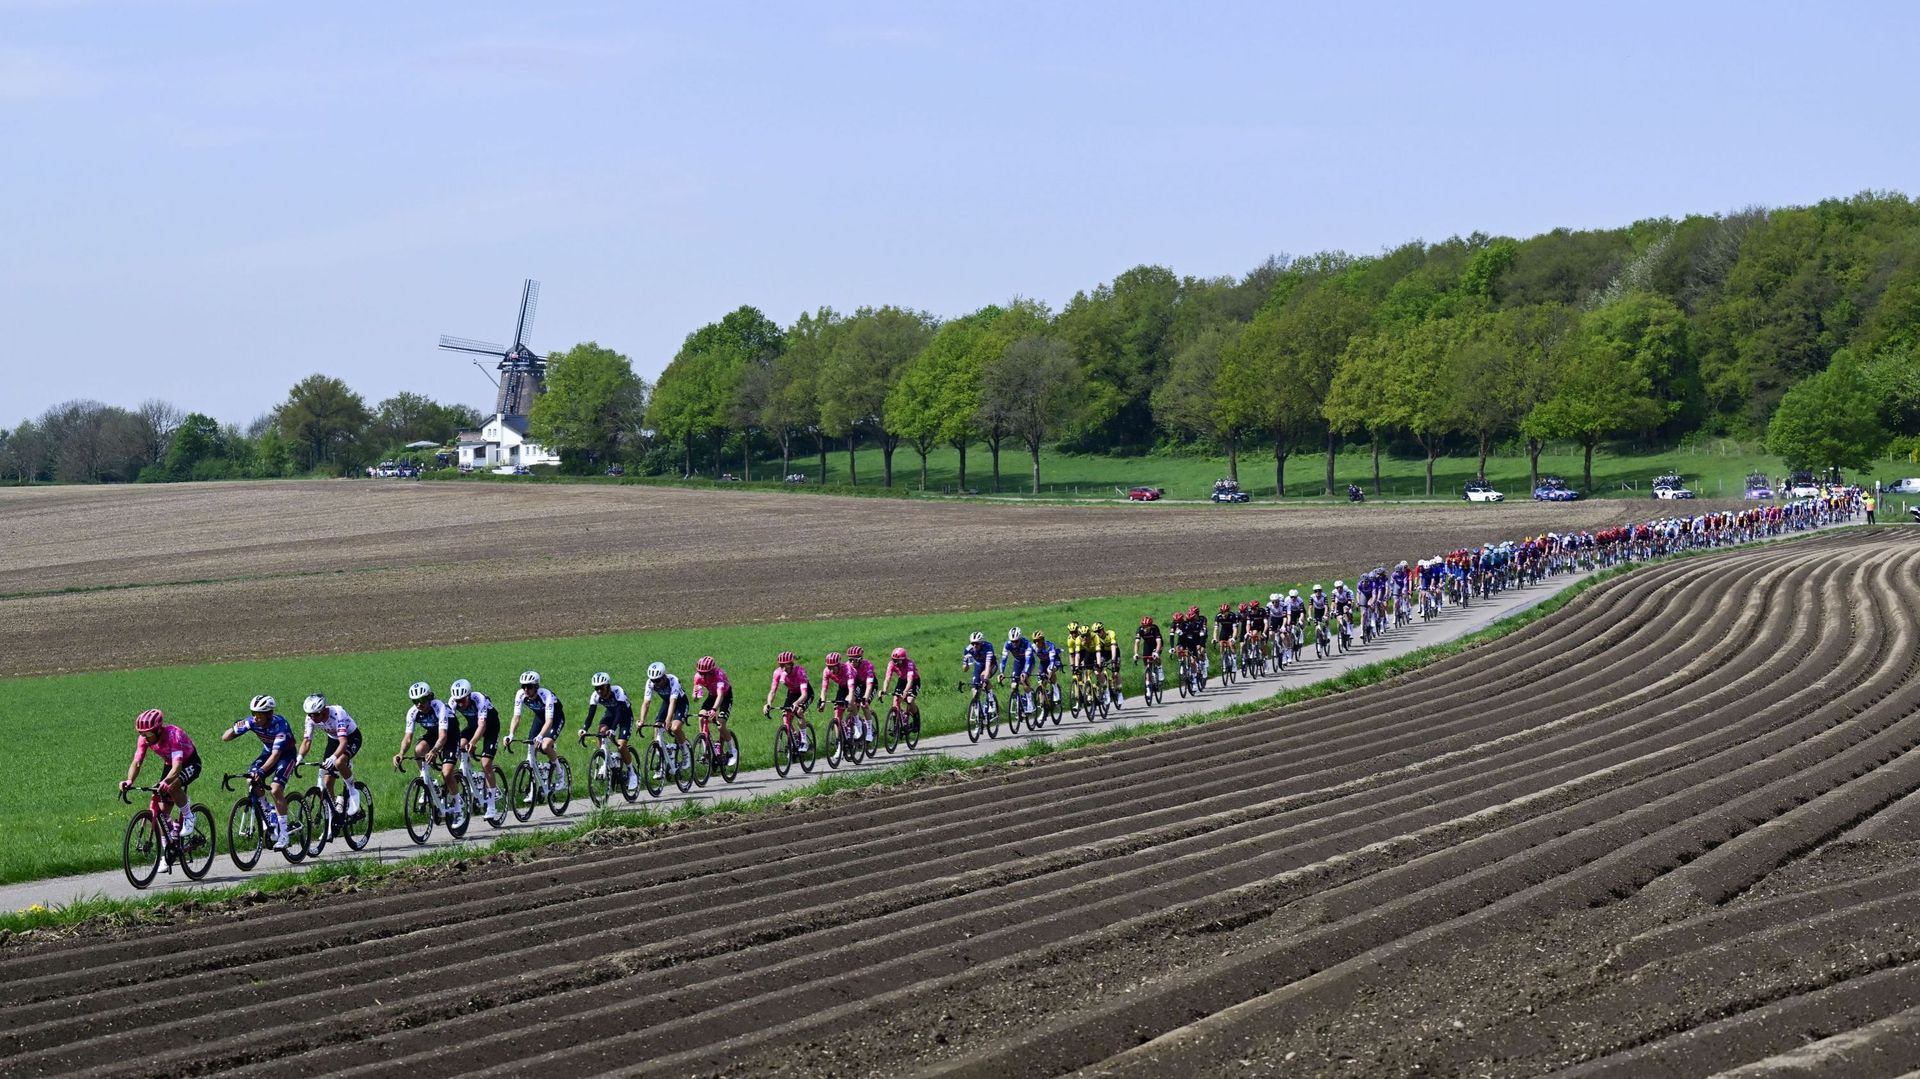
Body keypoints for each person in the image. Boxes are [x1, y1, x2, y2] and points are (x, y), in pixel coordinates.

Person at [222, 694, 297, 850]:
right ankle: (268, 810)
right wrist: (236, 727)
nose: (255, 717)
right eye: (253, 713)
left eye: (259, 714)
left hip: (286, 755)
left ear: (269, 714)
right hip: (268, 753)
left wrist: (262, 771)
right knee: (250, 780)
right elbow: (225, 738)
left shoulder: (280, 725)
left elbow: (276, 755)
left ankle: (284, 835)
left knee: (276, 789)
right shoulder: (252, 722)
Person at [121, 708, 202, 848]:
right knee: (163, 811)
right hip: (170, 763)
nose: (144, 737)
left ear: (158, 730)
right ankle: (167, 850)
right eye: (141, 733)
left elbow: (177, 768)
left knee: (172, 786)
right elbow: (137, 762)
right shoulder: (144, 739)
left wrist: (166, 782)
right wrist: (129, 780)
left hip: (189, 762)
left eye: (147, 733)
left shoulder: (173, 735)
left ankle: (189, 816)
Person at [395, 681, 463, 821]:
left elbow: (443, 736)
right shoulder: (413, 712)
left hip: (450, 734)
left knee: (447, 773)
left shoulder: (439, 707)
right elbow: (408, 738)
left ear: (429, 697)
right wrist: (401, 753)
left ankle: (458, 806)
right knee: (418, 750)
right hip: (433, 733)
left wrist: (434, 751)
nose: (419, 704)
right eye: (415, 701)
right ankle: (430, 782)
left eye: (422, 700)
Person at [295, 693, 361, 817]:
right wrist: (299, 758)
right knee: (327, 779)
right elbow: (307, 741)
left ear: (323, 709)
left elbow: (343, 742)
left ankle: (353, 791)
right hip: (333, 740)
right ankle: (334, 811)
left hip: (351, 737)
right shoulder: (310, 718)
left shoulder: (337, 713)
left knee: (339, 762)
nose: (313, 717)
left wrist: (333, 757)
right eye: (310, 714)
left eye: (316, 714)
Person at [448, 679, 503, 821]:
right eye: (457, 701)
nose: (460, 704)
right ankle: (473, 777)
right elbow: (450, 724)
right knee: (459, 745)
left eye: (463, 700)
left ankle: (491, 805)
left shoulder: (479, 699)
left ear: (469, 695)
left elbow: (482, 725)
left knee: (486, 763)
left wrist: (473, 742)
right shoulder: (453, 702)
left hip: (490, 727)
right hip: (473, 726)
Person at [507, 671, 566, 800]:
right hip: (540, 718)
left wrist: (540, 736)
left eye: (529, 687)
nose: (526, 689)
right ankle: (533, 789)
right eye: (523, 686)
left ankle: (560, 774)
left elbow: (549, 721)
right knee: (531, 747)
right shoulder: (520, 694)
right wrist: (511, 734)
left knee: (544, 746)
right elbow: (516, 717)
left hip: (555, 718)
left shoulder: (546, 695)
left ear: (536, 687)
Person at [579, 672, 639, 797]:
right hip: (611, 714)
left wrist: (612, 729)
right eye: (596, 688)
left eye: (601, 687)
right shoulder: (595, 695)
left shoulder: (618, 691)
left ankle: (632, 772)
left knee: (621, 746)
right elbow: (591, 714)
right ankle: (605, 759)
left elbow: (619, 711)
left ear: (608, 686)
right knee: (600, 733)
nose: (599, 690)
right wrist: (584, 728)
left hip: (624, 716)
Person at [637, 662, 691, 778]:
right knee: (657, 727)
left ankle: (686, 753)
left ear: (664, 676)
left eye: (658, 680)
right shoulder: (650, 683)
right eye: (653, 680)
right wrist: (641, 720)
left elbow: (673, 701)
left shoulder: (673, 680)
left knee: (675, 728)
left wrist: (668, 719)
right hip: (667, 703)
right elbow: (646, 703)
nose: (655, 683)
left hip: (680, 703)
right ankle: (661, 762)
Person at [691, 656, 736, 768]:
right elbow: (696, 698)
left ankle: (732, 750)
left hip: (725, 696)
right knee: (701, 717)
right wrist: (695, 695)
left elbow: (720, 695)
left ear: (711, 671)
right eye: (700, 673)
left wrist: (714, 709)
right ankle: (706, 748)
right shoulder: (698, 677)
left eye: (705, 673)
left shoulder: (719, 674)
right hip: (712, 695)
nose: (703, 676)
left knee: (720, 725)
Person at [763, 652, 813, 752]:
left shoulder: (800, 672)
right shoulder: (778, 673)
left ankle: (804, 741)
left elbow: (804, 694)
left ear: (791, 664)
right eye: (780, 665)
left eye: (785, 665)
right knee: (785, 715)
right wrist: (768, 703)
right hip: (792, 693)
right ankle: (794, 736)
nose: (783, 668)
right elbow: (773, 691)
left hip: (805, 694)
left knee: (798, 711)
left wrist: (797, 703)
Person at [1000, 627, 1038, 715]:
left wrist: (1025, 672)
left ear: (1020, 639)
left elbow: (1028, 660)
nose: (1014, 643)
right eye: (1012, 641)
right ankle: (1020, 704)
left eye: (1016, 641)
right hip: (1018, 662)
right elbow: (1003, 659)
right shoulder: (1007, 644)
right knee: (1013, 686)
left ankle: (1030, 703)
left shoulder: (1026, 644)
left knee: (1023, 679)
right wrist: (1001, 672)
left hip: (1028, 661)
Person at [845, 645, 879, 744]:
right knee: (852, 705)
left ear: (860, 659)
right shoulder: (848, 666)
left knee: (864, 705)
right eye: (850, 659)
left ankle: (869, 731)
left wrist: (865, 698)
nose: (851, 662)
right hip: (858, 684)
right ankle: (856, 729)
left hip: (870, 685)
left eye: (854, 660)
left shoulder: (868, 665)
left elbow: (869, 685)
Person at [883, 647, 922, 731]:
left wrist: (905, 691)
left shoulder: (909, 664)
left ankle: (916, 721)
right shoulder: (891, 664)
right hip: (902, 680)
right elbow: (887, 678)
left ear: (903, 660)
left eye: (897, 660)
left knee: (909, 700)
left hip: (914, 681)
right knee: (895, 702)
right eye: (893, 660)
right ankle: (896, 728)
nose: (895, 662)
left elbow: (910, 681)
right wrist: (884, 690)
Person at [962, 631, 998, 711]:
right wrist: (966, 664)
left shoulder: (988, 646)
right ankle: (979, 713)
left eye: (977, 643)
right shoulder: (968, 650)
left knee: (983, 677)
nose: (974, 645)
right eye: (972, 643)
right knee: (975, 690)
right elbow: (965, 669)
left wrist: (985, 679)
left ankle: (991, 701)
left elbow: (988, 665)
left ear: (981, 642)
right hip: (979, 665)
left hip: (991, 664)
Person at [1092, 621, 1123, 707]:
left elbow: (1113, 647)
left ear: (1103, 629)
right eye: (1095, 632)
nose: (1097, 633)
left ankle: (1120, 693)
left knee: (1115, 673)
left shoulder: (1111, 634)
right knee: (1098, 669)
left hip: (1114, 652)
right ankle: (1104, 688)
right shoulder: (1096, 638)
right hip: (1104, 653)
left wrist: (1113, 660)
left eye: (1099, 631)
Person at [1133, 615, 1163, 691]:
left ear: (1150, 626)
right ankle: (1148, 684)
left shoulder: (1154, 628)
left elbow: (1158, 642)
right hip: (1148, 645)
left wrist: (1156, 652)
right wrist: (1136, 653)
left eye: (1146, 627)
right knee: (1147, 665)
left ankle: (1159, 669)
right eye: (1143, 626)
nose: (1144, 628)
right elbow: (1137, 642)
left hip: (1156, 644)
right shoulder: (1140, 630)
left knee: (1155, 656)